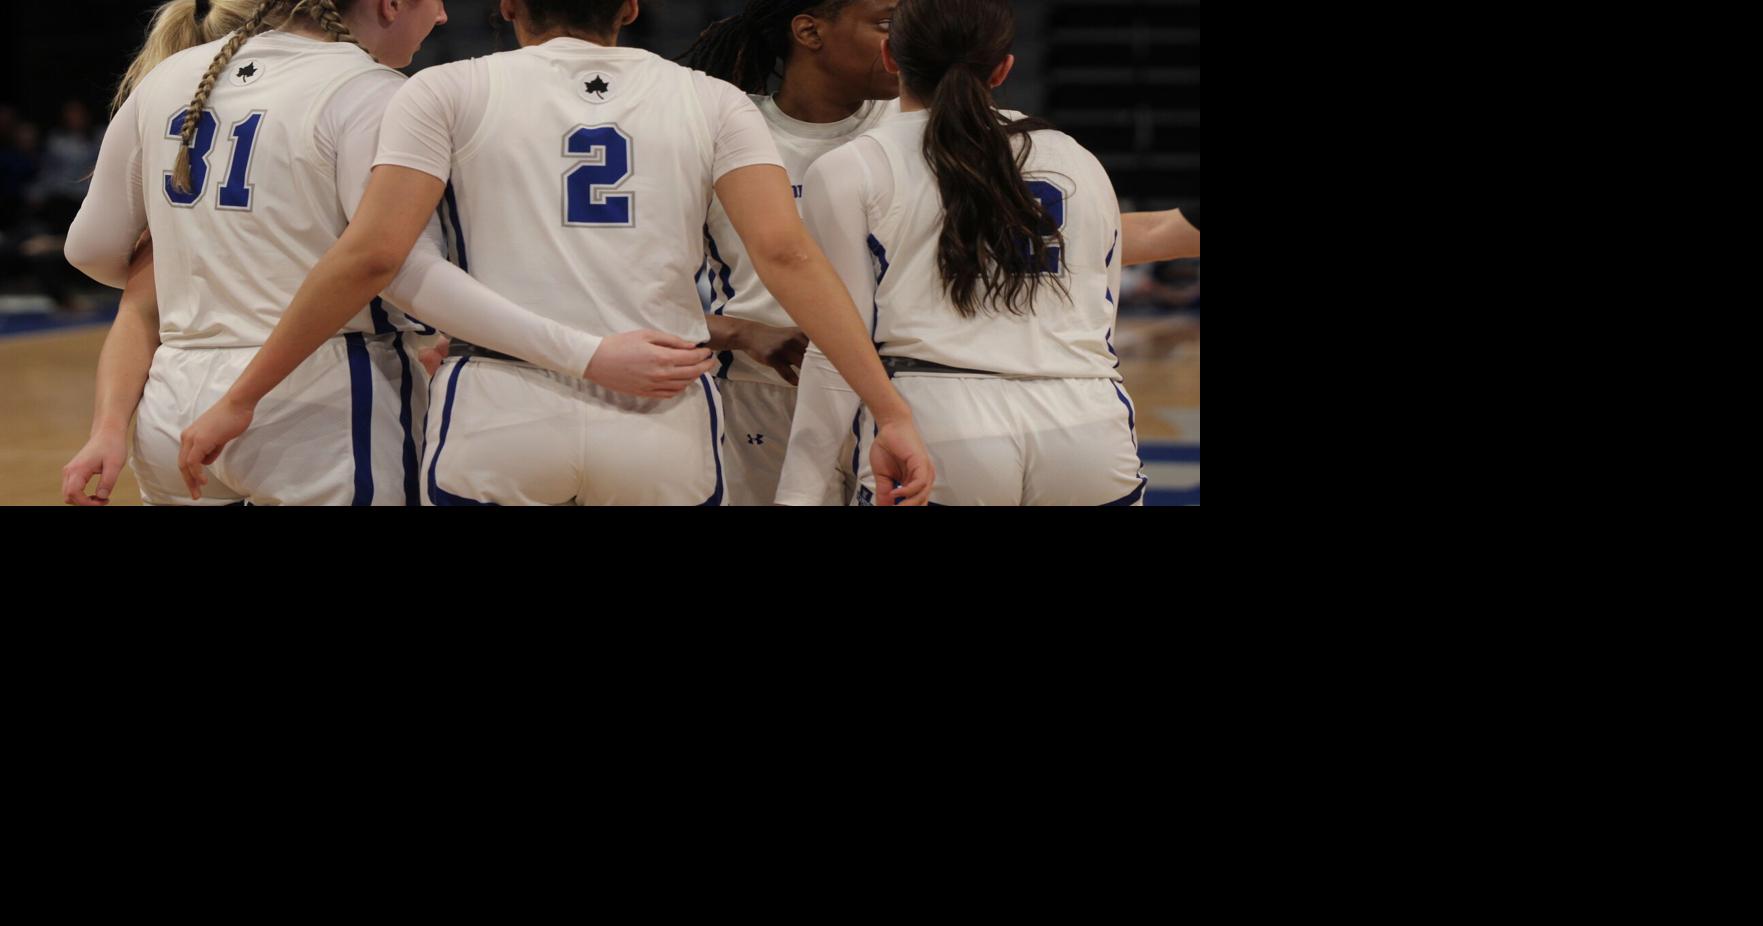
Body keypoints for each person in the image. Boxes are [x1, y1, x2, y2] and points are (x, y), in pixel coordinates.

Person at [176, 0, 933, 506]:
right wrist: (889, 411)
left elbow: (373, 255)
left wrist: (241, 397)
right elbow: (787, 258)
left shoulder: (442, 89)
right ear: (629, 7)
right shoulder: (713, 99)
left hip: (500, 406)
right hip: (660, 408)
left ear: (507, 5)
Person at [789, 0, 1143, 505]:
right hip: (1086, 415)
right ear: (1002, 68)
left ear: (890, 56)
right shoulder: (1079, 158)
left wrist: (800, 493)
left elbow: (837, 342)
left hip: (938, 417)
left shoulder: (851, 166)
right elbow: (1100, 315)